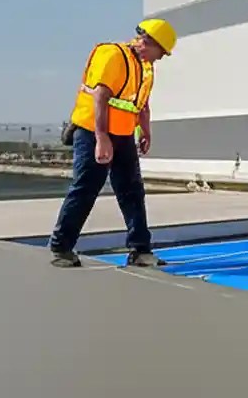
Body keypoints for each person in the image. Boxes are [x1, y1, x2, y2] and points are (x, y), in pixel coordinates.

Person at [48, 18, 176, 268]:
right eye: (160, 52)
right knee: (86, 187)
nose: (160, 58)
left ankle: (140, 250)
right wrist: (101, 138)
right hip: (92, 130)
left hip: (124, 134)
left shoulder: (145, 67)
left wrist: (145, 131)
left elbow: (141, 103)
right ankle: (61, 247)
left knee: (132, 191)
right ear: (148, 42)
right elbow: (100, 98)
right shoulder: (113, 55)